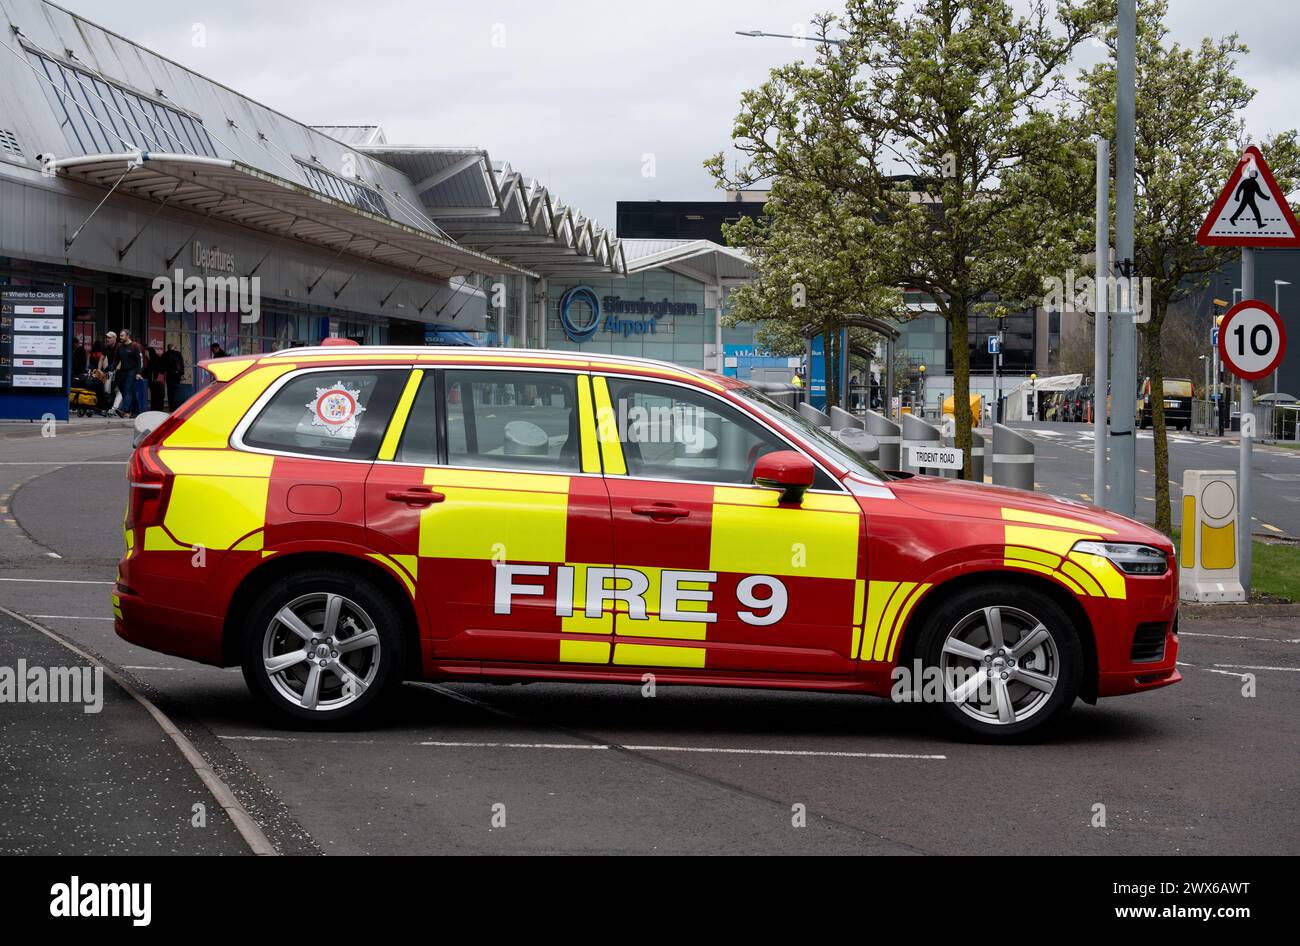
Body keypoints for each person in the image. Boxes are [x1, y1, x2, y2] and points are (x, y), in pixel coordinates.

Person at [114, 329, 143, 417]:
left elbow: (140, 361)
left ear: (128, 336)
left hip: (133, 371)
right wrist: (112, 369)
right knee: (129, 392)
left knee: (127, 389)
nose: (120, 337)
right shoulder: (119, 346)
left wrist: (139, 373)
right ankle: (136, 412)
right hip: (123, 371)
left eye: (122, 335)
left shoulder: (135, 346)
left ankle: (123, 410)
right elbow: (116, 359)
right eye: (120, 335)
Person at [162, 343, 186, 411]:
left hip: (169, 375)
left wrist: (162, 371)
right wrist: (182, 373)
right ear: (174, 347)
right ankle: (176, 406)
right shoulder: (178, 354)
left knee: (170, 390)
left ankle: (171, 406)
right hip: (177, 375)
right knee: (176, 389)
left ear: (168, 348)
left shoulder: (165, 354)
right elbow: (181, 364)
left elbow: (162, 365)